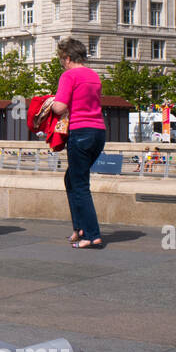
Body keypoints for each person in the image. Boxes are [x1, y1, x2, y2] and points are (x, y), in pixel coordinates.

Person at [37, 36, 106, 248]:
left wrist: (51, 102)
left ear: (67, 58)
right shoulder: (94, 76)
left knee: (80, 184)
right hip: (98, 132)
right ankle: (80, 228)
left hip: (80, 131)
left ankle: (91, 234)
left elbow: (59, 107)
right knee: (71, 179)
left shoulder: (69, 76)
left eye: (61, 59)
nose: (62, 63)